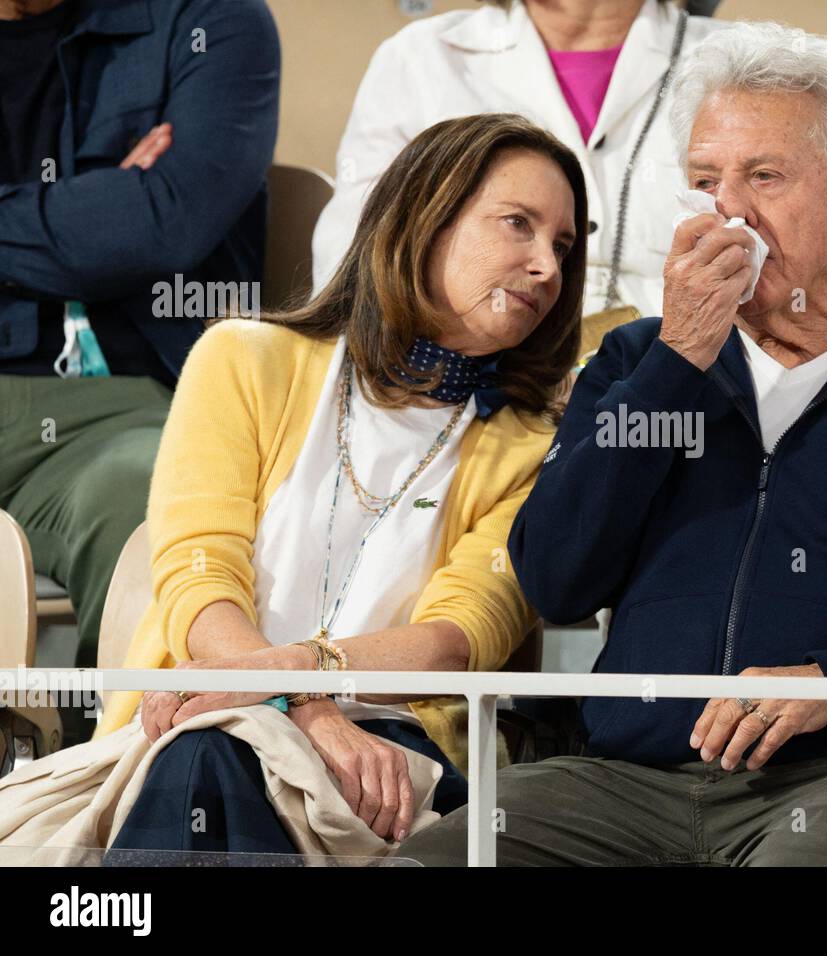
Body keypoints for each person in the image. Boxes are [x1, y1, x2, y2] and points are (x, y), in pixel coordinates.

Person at [403, 22, 827, 867]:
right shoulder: (636, 364)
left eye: (764, 176)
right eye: (706, 181)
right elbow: (556, 578)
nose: (727, 210)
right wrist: (676, 364)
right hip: (622, 781)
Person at [56, 113, 579, 854]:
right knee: (214, 750)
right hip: (202, 722)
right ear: (425, 217)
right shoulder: (242, 359)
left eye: (563, 246)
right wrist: (301, 704)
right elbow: (198, 579)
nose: (547, 267)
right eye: (518, 224)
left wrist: (296, 687)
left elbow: (455, 642)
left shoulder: (536, 447)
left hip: (396, 752)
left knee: (213, 756)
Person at [0, 0, 280, 680]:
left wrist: (129, 215)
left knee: (150, 504)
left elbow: (165, 224)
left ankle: (123, 744)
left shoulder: (210, 19)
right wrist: (101, 202)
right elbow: (126, 224)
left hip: (115, 412)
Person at [312, 0, 730, 333]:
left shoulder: (736, 63)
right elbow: (354, 260)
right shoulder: (419, 59)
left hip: (684, 377)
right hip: (470, 381)